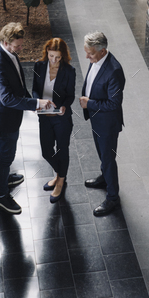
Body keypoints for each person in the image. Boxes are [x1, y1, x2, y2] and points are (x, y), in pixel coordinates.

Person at [0, 22, 53, 214]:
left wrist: (30, 102)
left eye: (21, 45)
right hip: (4, 116)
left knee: (8, 152)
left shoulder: (6, 51)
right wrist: (36, 103)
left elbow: (17, 81)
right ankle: (1, 195)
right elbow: (6, 98)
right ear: (6, 42)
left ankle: (4, 179)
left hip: (10, 113)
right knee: (6, 155)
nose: (21, 49)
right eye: (17, 46)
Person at [80, 31, 126, 216]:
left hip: (107, 125)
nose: (87, 57)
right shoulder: (96, 59)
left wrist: (89, 103)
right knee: (102, 155)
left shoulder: (114, 71)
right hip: (97, 120)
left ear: (102, 51)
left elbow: (114, 103)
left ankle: (113, 197)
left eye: (90, 53)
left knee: (108, 159)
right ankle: (105, 179)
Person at [32, 38, 76, 203]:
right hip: (44, 116)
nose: (54, 60)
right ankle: (59, 174)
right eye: (51, 56)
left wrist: (64, 106)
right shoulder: (39, 66)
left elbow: (70, 95)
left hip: (61, 118)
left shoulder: (69, 71)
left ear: (63, 55)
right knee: (46, 151)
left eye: (57, 57)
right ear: (47, 53)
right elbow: (35, 90)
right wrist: (38, 102)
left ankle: (61, 181)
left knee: (62, 149)